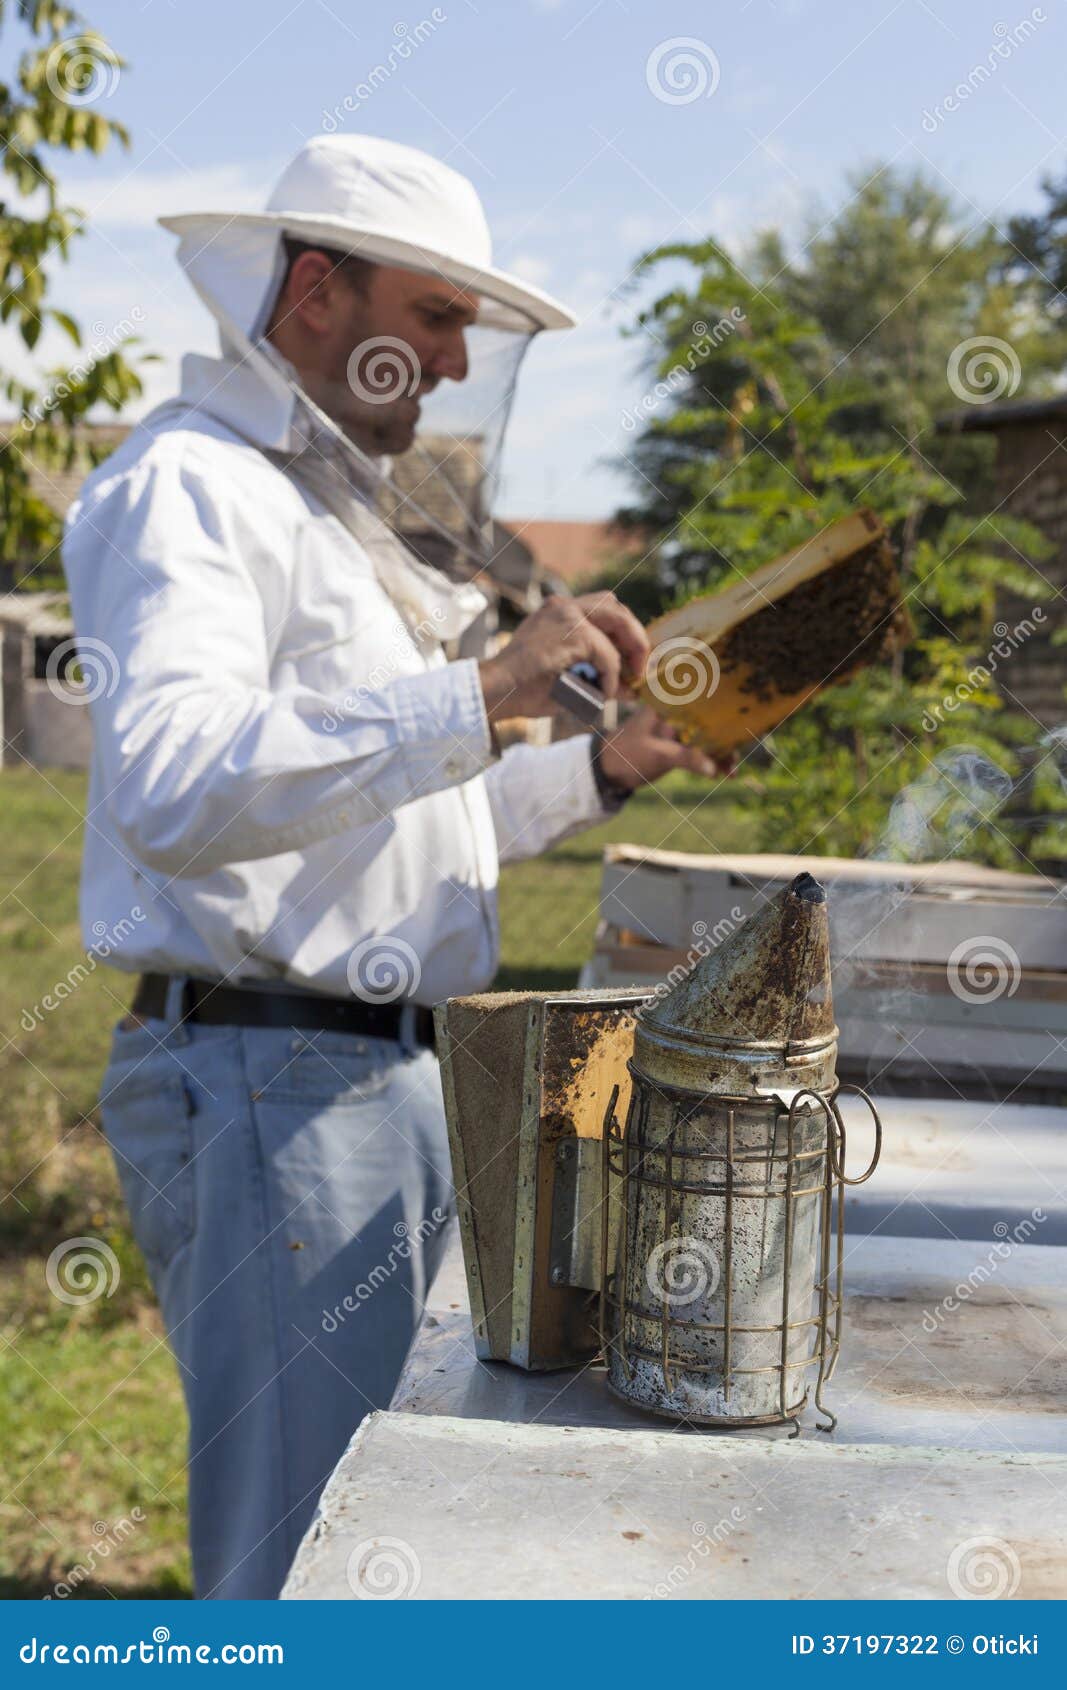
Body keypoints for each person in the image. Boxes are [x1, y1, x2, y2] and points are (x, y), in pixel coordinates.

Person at [62, 134, 721, 1599]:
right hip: (268, 1083)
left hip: (380, 1080)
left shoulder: (325, 509)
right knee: (299, 1547)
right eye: (431, 318)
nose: (447, 363)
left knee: (383, 1533)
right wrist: (479, 692)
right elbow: (172, 781)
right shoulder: (188, 486)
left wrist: (606, 764)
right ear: (313, 292)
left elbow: (421, 830)